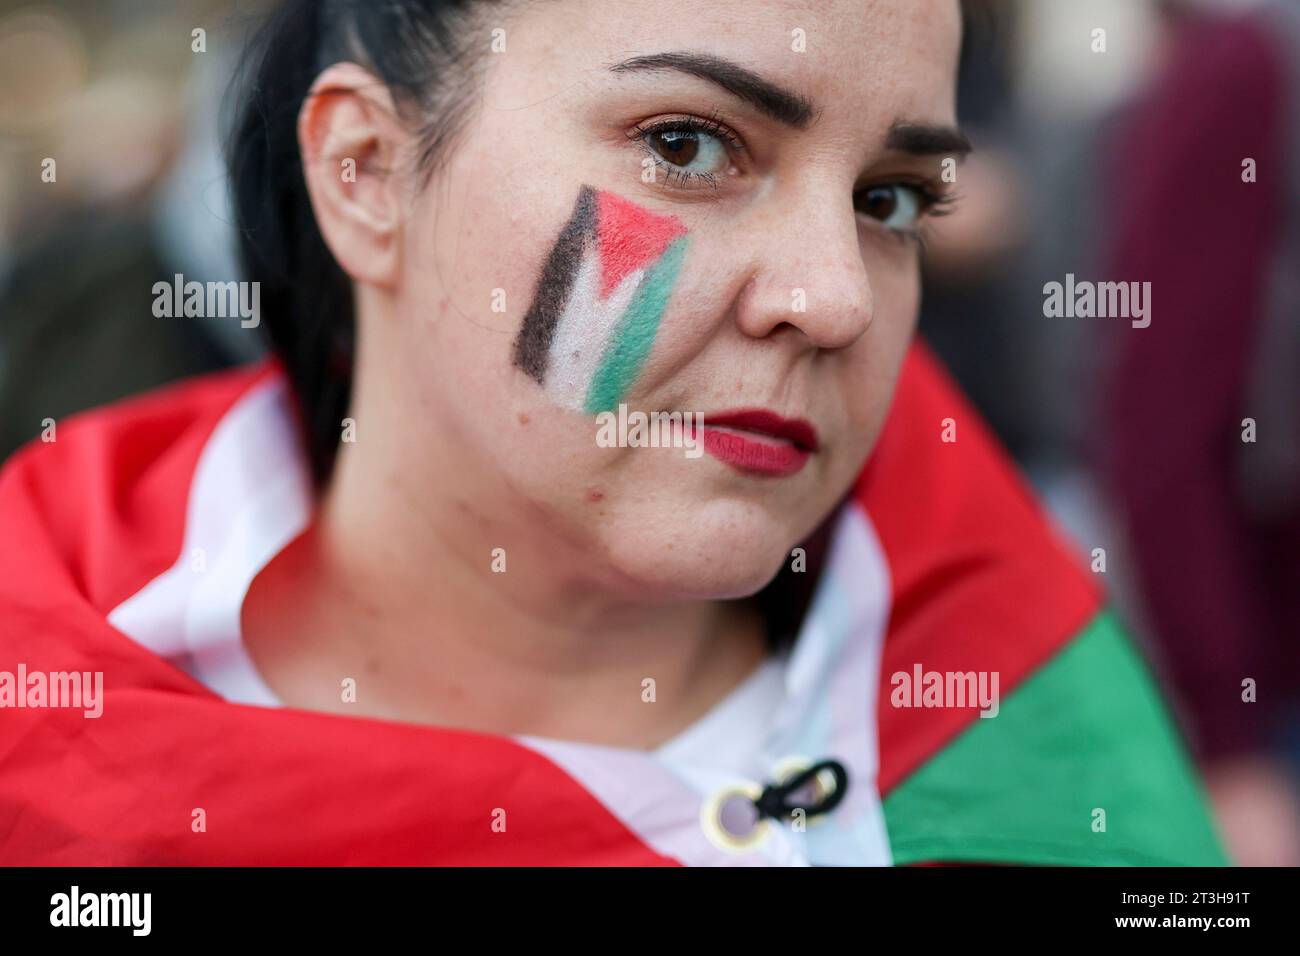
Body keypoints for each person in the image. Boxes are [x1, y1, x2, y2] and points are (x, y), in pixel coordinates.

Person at [0, 0, 1224, 866]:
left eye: (887, 200)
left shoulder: (1043, 712)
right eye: (687, 145)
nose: (837, 296)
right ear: (366, 169)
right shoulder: (51, 744)